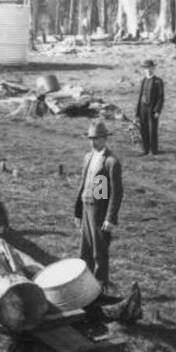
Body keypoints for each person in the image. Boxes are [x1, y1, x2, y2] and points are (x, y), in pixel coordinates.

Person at [72, 119, 122, 291]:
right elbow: (83, 184)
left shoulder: (110, 161)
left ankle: (100, 285)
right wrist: (78, 212)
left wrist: (110, 218)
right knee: (85, 248)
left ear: (105, 139)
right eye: (91, 138)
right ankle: (85, 283)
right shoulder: (88, 157)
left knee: (99, 250)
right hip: (86, 208)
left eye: (97, 138)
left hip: (99, 212)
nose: (93, 142)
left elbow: (115, 193)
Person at [136, 59, 164, 155]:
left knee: (152, 129)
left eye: (150, 68)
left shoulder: (158, 81)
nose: (148, 70)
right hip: (143, 108)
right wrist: (137, 112)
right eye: (146, 68)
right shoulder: (143, 80)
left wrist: (157, 111)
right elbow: (140, 97)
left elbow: (161, 97)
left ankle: (154, 150)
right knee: (143, 129)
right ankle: (145, 149)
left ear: (154, 68)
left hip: (152, 109)